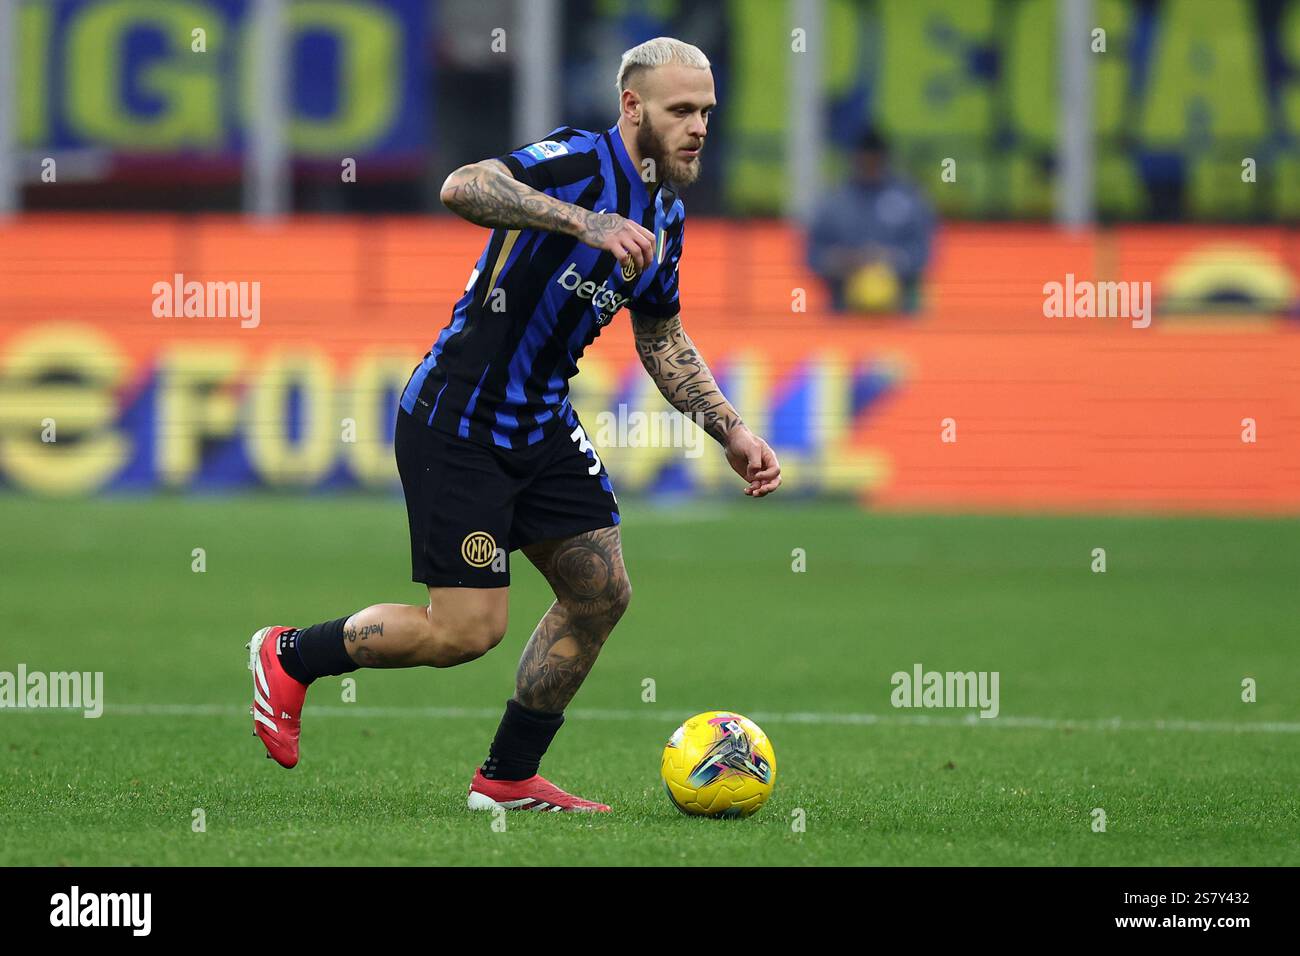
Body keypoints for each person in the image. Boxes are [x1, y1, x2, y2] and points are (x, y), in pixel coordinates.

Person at [246, 37, 781, 813]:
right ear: (632, 107)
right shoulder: (576, 161)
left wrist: (729, 428)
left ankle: (506, 780)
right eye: (680, 110)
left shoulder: (666, 213)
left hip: (540, 424)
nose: (698, 126)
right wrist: (581, 223)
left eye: (706, 111)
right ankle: (291, 654)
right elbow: (464, 186)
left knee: (599, 593)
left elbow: (660, 336)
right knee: (465, 633)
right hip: (457, 419)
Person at [807, 128, 935, 314]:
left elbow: (925, 254)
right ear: (855, 159)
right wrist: (841, 260)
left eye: (874, 160)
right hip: (843, 308)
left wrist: (891, 259)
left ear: (884, 159)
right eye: (865, 159)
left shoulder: (909, 199)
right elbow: (811, 256)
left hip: (899, 311)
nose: (869, 165)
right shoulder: (834, 201)